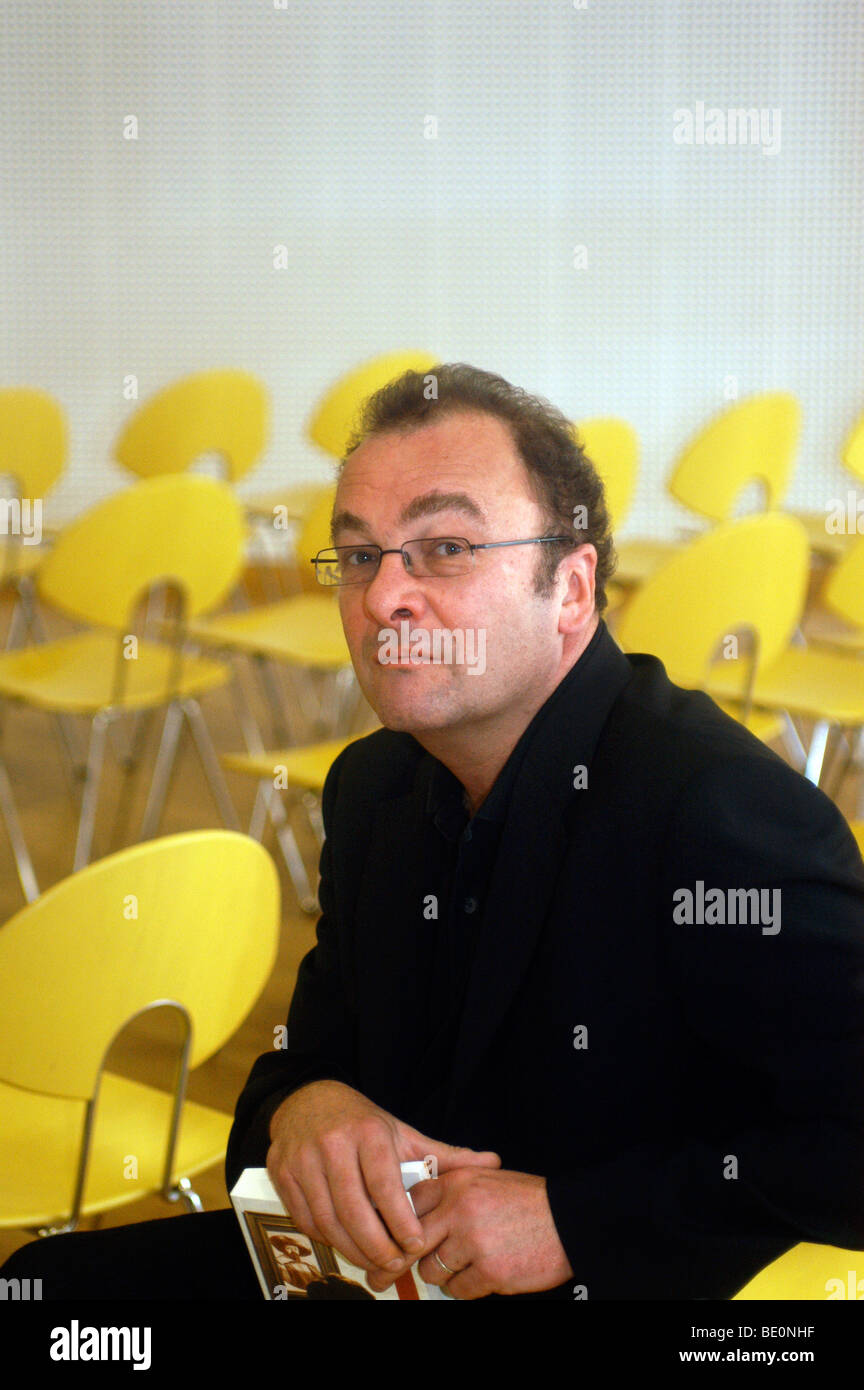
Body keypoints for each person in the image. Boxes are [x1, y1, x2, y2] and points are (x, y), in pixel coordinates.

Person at [4, 363, 864, 1302]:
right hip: (398, 1275)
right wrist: (306, 1106)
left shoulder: (724, 811)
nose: (383, 599)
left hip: (617, 1286)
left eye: (445, 548)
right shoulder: (374, 785)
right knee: (43, 1292)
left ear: (571, 588)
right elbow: (310, 1056)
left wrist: (575, 1220)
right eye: (361, 555)